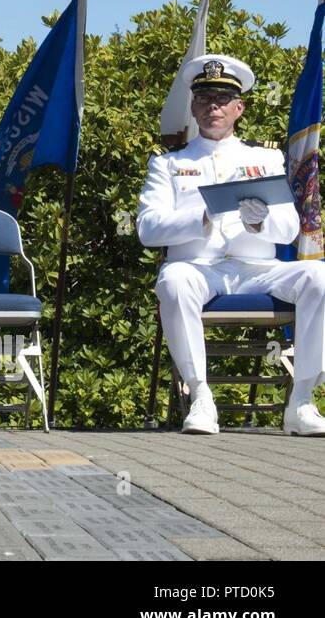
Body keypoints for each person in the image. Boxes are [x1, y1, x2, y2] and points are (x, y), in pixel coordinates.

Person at [138, 54, 325, 436]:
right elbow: (148, 229)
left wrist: (260, 222)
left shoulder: (264, 157)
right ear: (193, 106)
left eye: (222, 100)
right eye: (204, 99)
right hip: (199, 268)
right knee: (172, 281)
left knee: (318, 276)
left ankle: (302, 399)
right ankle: (201, 398)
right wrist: (200, 218)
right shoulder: (169, 164)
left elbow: (290, 227)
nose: (213, 107)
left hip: (258, 269)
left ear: (238, 108)